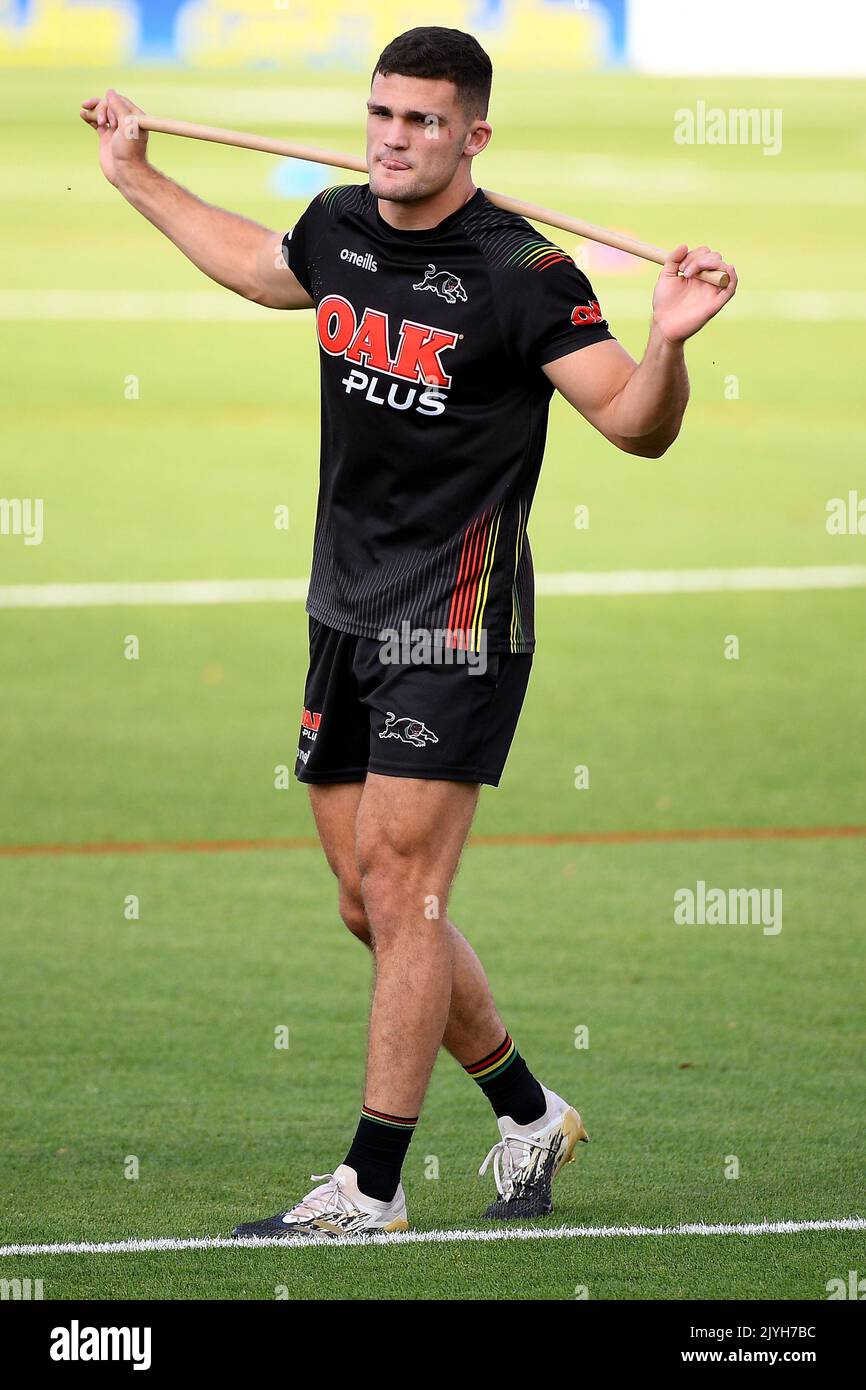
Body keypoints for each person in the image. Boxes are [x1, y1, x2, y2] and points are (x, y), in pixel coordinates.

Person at [81, 25, 736, 1239]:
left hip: (456, 618)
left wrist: (668, 344)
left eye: (423, 121)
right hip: (344, 604)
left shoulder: (524, 276)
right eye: (381, 114)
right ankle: (528, 1111)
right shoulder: (336, 222)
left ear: (473, 135)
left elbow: (636, 427)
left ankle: (368, 1188)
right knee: (366, 902)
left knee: (404, 885)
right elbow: (262, 266)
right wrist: (137, 177)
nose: (392, 137)